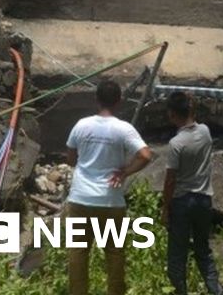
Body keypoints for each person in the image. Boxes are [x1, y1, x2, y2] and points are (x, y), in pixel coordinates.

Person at [65, 80, 153, 295]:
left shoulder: (81, 125)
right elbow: (145, 155)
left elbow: (71, 159)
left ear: (96, 99)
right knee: (114, 253)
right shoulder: (124, 129)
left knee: (78, 252)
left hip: (80, 198)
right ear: (119, 101)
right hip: (110, 201)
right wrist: (125, 172)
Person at [162, 92, 223, 295]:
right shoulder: (205, 132)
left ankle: (180, 290)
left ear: (171, 114)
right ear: (190, 109)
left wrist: (165, 207)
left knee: (177, 254)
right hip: (204, 200)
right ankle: (217, 291)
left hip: (182, 201)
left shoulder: (176, 144)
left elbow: (170, 180)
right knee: (203, 250)